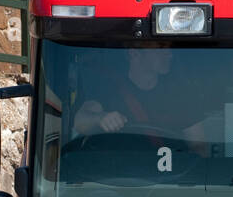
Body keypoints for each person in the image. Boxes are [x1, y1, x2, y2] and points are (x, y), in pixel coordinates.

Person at [72, 47, 210, 154]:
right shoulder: (109, 90)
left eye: (168, 48)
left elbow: (198, 144)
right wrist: (100, 118)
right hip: (116, 179)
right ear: (134, 54)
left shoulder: (179, 94)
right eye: (160, 48)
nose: (169, 54)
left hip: (168, 178)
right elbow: (80, 122)